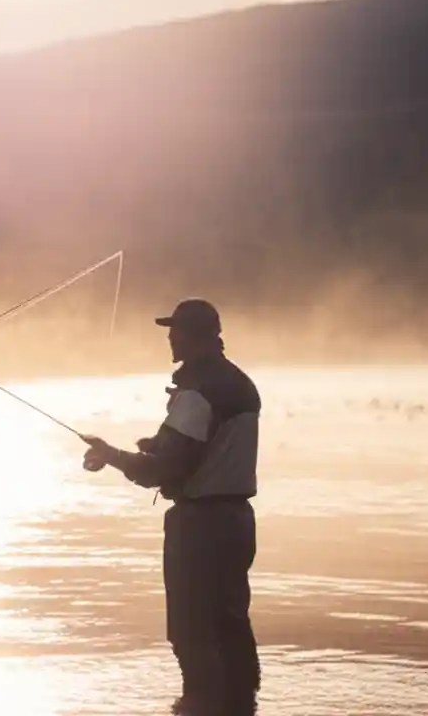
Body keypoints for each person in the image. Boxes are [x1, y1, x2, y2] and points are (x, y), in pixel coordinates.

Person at [81, 298, 261, 716]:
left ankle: (198, 705)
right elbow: (203, 448)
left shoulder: (197, 393)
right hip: (237, 521)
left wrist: (111, 455)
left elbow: (161, 471)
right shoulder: (237, 383)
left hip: (200, 525)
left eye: (174, 331)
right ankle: (245, 704)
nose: (169, 338)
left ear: (193, 337)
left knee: (191, 631)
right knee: (231, 623)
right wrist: (157, 446)